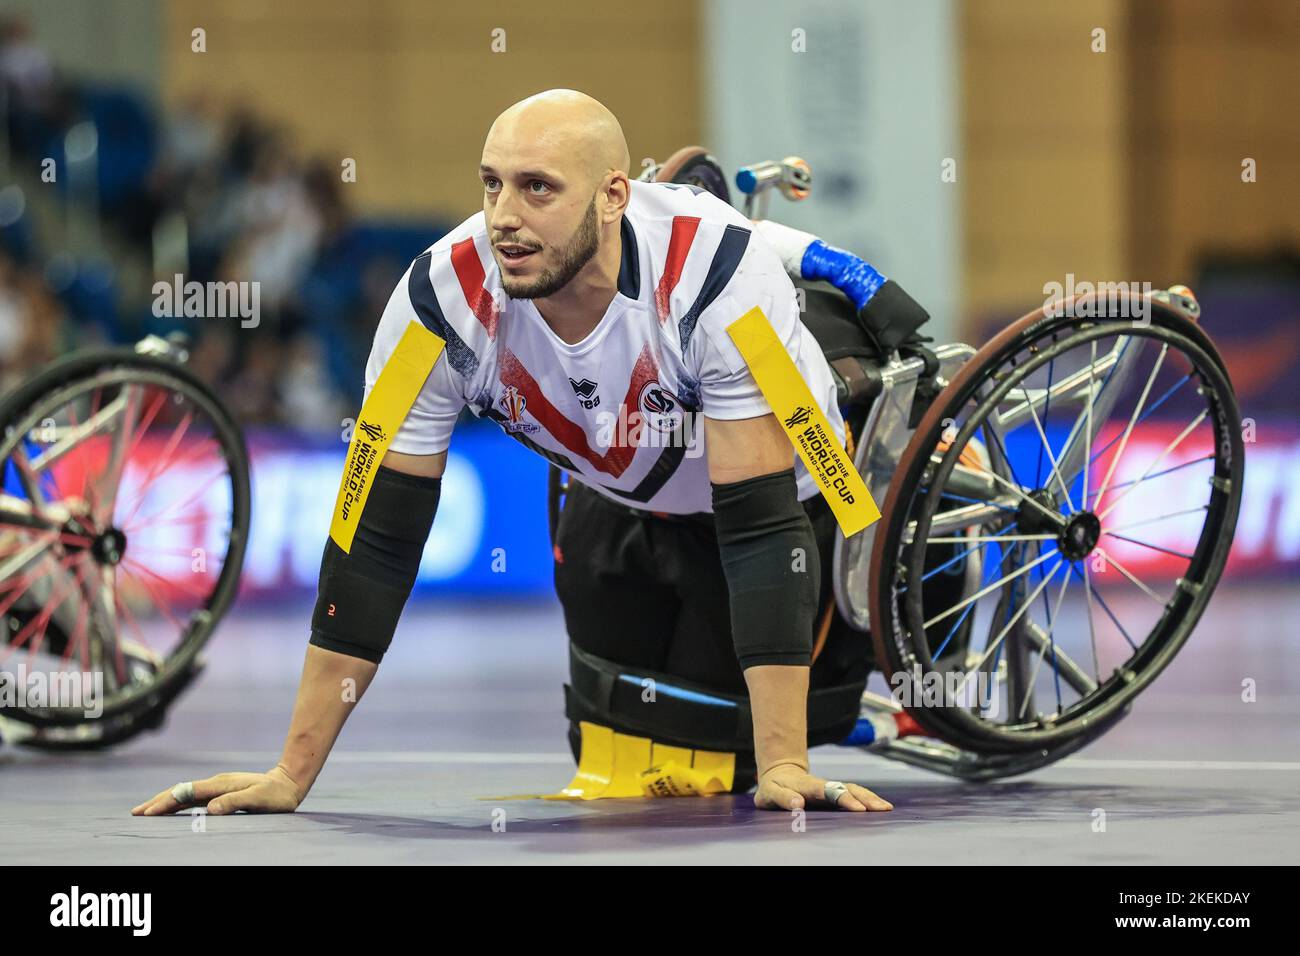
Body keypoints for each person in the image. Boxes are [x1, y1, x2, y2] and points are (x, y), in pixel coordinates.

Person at [132, 89, 894, 818]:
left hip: (799, 502)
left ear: (613, 196)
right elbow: (374, 542)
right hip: (619, 495)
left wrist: (788, 761)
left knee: (746, 757)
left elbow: (760, 533)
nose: (504, 217)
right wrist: (289, 772)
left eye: (538, 189)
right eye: (491, 185)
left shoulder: (718, 277)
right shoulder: (436, 302)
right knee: (628, 757)